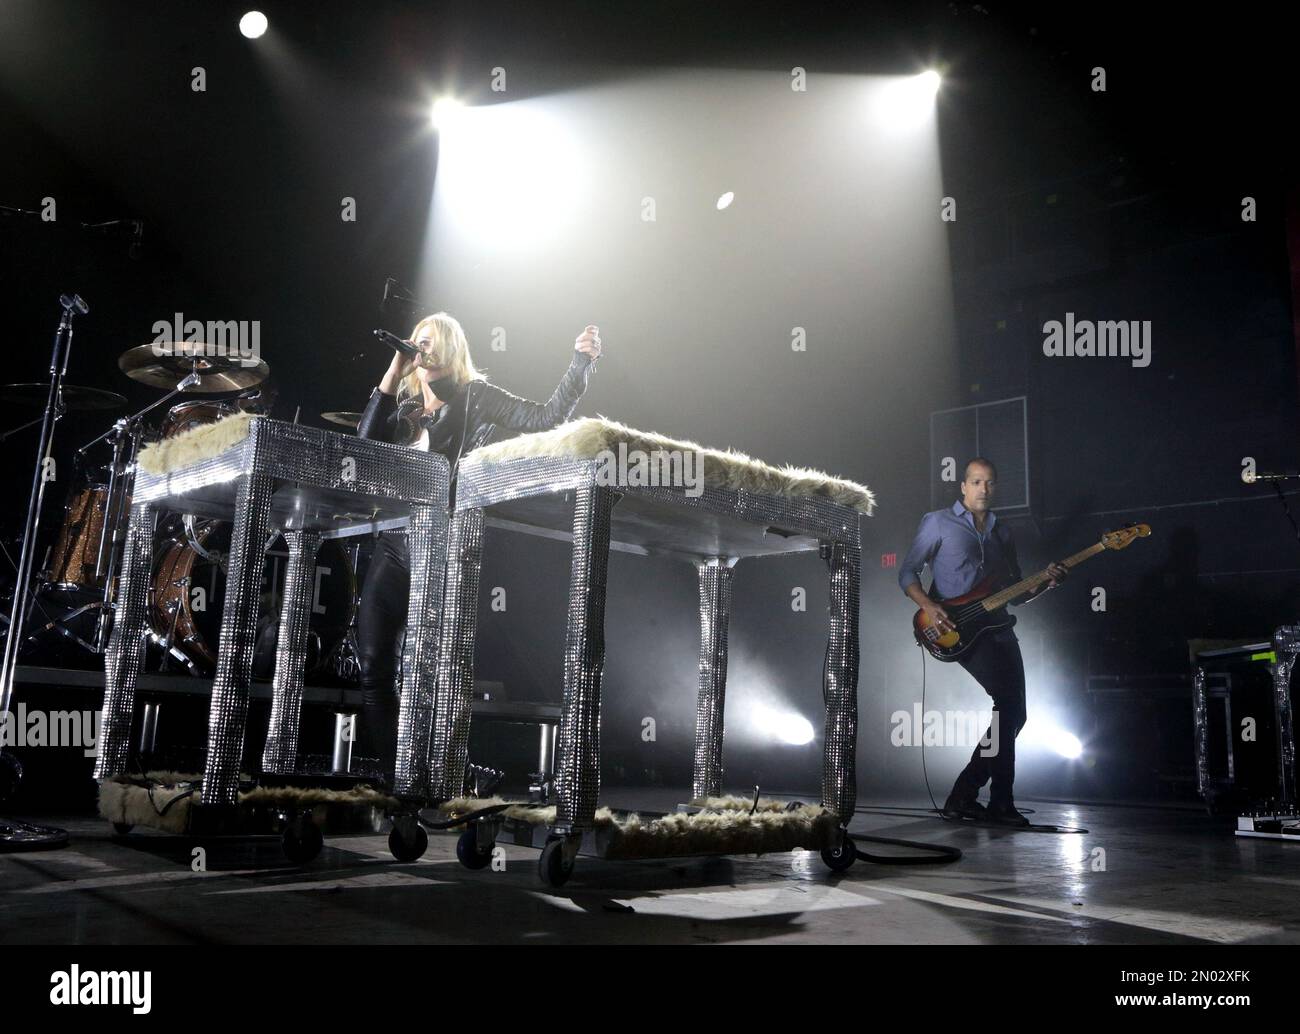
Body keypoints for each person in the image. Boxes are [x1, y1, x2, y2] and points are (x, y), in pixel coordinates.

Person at [354, 311, 603, 785]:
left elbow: (545, 418)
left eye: (427, 342)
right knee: (373, 665)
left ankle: (452, 770)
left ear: (449, 348)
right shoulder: (404, 411)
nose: (418, 349)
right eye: (415, 342)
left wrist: (579, 365)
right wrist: (391, 376)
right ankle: (397, 775)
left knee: (431, 667)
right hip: (392, 544)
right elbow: (362, 451)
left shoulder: (475, 397)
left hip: (443, 543)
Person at [897, 457, 1066, 826]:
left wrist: (1045, 583)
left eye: (989, 483)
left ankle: (966, 795)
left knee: (1014, 713)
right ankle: (996, 802)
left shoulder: (1002, 532)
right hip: (956, 627)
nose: (983, 489)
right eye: (975, 482)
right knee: (1007, 706)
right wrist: (928, 604)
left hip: (999, 625)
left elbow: (1017, 591)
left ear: (996, 487)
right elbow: (907, 571)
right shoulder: (938, 522)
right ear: (963, 486)